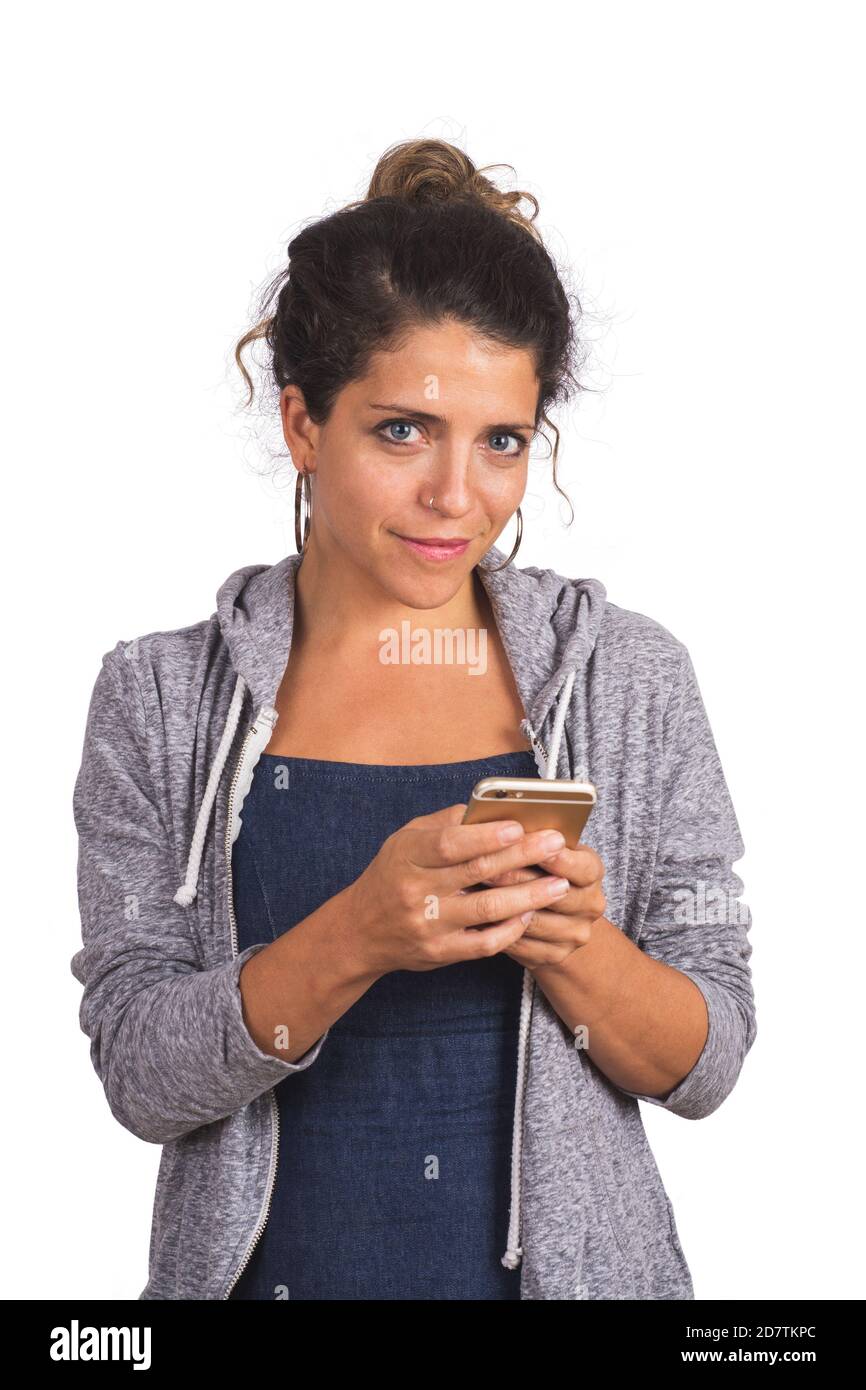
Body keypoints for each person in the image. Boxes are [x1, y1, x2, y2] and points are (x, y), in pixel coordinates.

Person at [70, 137, 756, 1301]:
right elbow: (141, 1071)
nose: (457, 495)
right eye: (402, 431)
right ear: (301, 425)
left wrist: (576, 944)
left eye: (500, 440)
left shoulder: (625, 679)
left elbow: (706, 1060)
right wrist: (359, 935)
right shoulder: (157, 699)